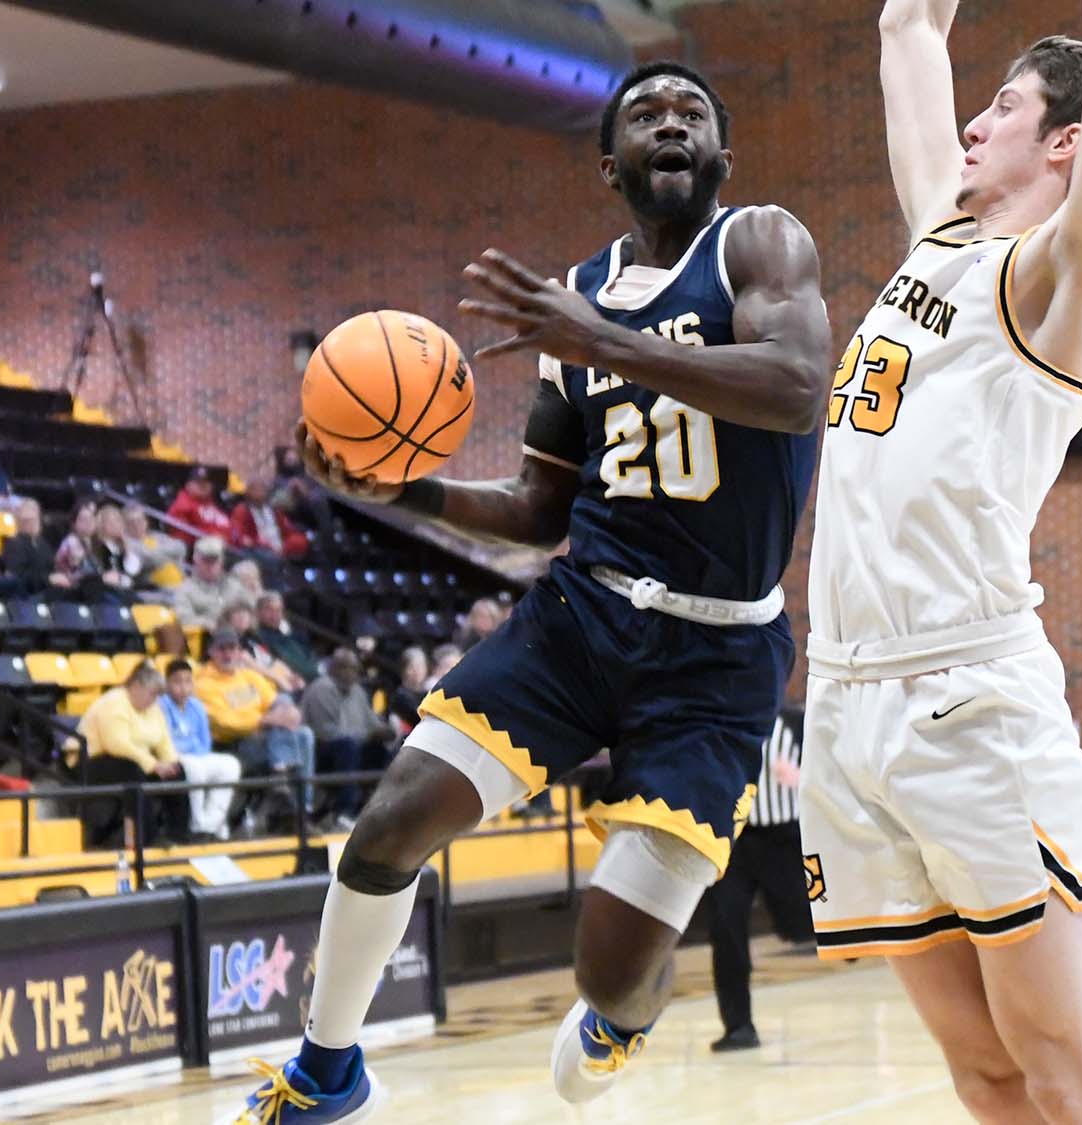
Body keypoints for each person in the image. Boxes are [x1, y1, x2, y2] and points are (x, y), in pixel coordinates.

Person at [231, 58, 831, 1121]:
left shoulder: (757, 242)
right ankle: (326, 1074)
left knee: (611, 968)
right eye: (644, 114)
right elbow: (537, 506)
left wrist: (597, 340)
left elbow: (795, 387)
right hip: (581, 618)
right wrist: (403, 491)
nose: (669, 121)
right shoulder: (578, 297)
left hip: (716, 657)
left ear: (722, 154)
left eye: (690, 111)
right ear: (609, 164)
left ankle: (619, 1018)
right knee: (388, 824)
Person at [798, 5, 1082, 1120]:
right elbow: (906, 25)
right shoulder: (939, 238)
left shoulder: (1068, 279)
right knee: (982, 1072)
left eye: (1004, 106)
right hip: (845, 698)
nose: (972, 121)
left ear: (1067, 140)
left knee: (1058, 1065)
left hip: (968, 700)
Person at [706, 705, 811, 1053]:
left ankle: (851, 940)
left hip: (782, 838)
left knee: (801, 922)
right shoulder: (717, 722)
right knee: (726, 929)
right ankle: (738, 1026)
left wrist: (802, 776)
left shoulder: (794, 723)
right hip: (732, 840)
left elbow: (837, 769)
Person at [195, 630, 314, 821]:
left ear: (239, 651)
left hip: (266, 738)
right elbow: (224, 723)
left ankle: (301, 806)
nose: (227, 654)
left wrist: (288, 710)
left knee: (304, 733)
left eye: (232, 648)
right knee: (282, 730)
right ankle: (282, 784)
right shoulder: (203, 684)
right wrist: (264, 720)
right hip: (235, 744)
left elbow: (273, 700)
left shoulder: (249, 676)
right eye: (222, 649)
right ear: (211, 652)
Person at [73, 663, 190, 846]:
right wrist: (153, 765)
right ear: (135, 686)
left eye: (157, 695)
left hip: (134, 760)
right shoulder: (114, 702)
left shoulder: (153, 708)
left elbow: (163, 741)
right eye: (152, 694)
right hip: (91, 761)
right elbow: (116, 744)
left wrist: (171, 763)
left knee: (178, 772)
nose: (154, 700)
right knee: (132, 771)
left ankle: (179, 835)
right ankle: (146, 839)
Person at [298, 649, 396, 830]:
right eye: (349, 668)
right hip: (322, 754)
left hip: (353, 747)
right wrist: (367, 735)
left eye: (356, 669)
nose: (354, 674)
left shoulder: (357, 691)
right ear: (335, 668)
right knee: (347, 747)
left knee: (381, 751)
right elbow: (326, 732)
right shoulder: (321, 688)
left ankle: (377, 808)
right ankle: (344, 812)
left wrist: (386, 730)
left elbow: (371, 722)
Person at [161, 660, 243, 841]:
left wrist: (192, 747)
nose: (183, 687)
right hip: (175, 757)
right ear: (167, 684)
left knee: (231, 764)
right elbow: (168, 742)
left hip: (198, 755)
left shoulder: (197, 706)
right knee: (195, 768)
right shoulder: (161, 705)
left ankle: (212, 824)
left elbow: (205, 742)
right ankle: (197, 825)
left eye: (188, 681)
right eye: (177, 681)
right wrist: (191, 746)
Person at [229, 477, 310, 562]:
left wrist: (283, 545)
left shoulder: (273, 509)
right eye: (256, 490)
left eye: (262, 489)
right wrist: (258, 543)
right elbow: (240, 536)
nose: (260, 493)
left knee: (301, 541)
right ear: (247, 492)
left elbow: (287, 529)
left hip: (281, 545)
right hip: (261, 549)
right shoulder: (242, 510)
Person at [0, 497, 66, 596]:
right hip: (27, 595)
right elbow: (18, 577)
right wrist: (48, 579)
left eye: (35, 519)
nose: (33, 524)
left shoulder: (42, 543)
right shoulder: (14, 543)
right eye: (28, 520)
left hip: (47, 590)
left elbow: (50, 567)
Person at [249, 592, 318, 685]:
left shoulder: (291, 633)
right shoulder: (255, 638)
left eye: (278, 610)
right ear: (258, 612)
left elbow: (310, 656)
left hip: (314, 678)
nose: (275, 614)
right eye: (269, 609)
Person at [172, 537, 230, 630]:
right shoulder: (184, 590)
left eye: (214, 561)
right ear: (196, 561)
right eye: (206, 561)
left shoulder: (231, 584)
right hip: (206, 635)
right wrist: (210, 624)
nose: (210, 566)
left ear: (221, 562)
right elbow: (185, 619)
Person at [167, 466, 231, 544]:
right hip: (204, 547)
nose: (203, 486)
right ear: (188, 485)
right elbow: (183, 537)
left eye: (206, 482)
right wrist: (213, 536)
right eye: (198, 483)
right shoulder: (183, 505)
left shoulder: (213, 502)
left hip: (231, 545)